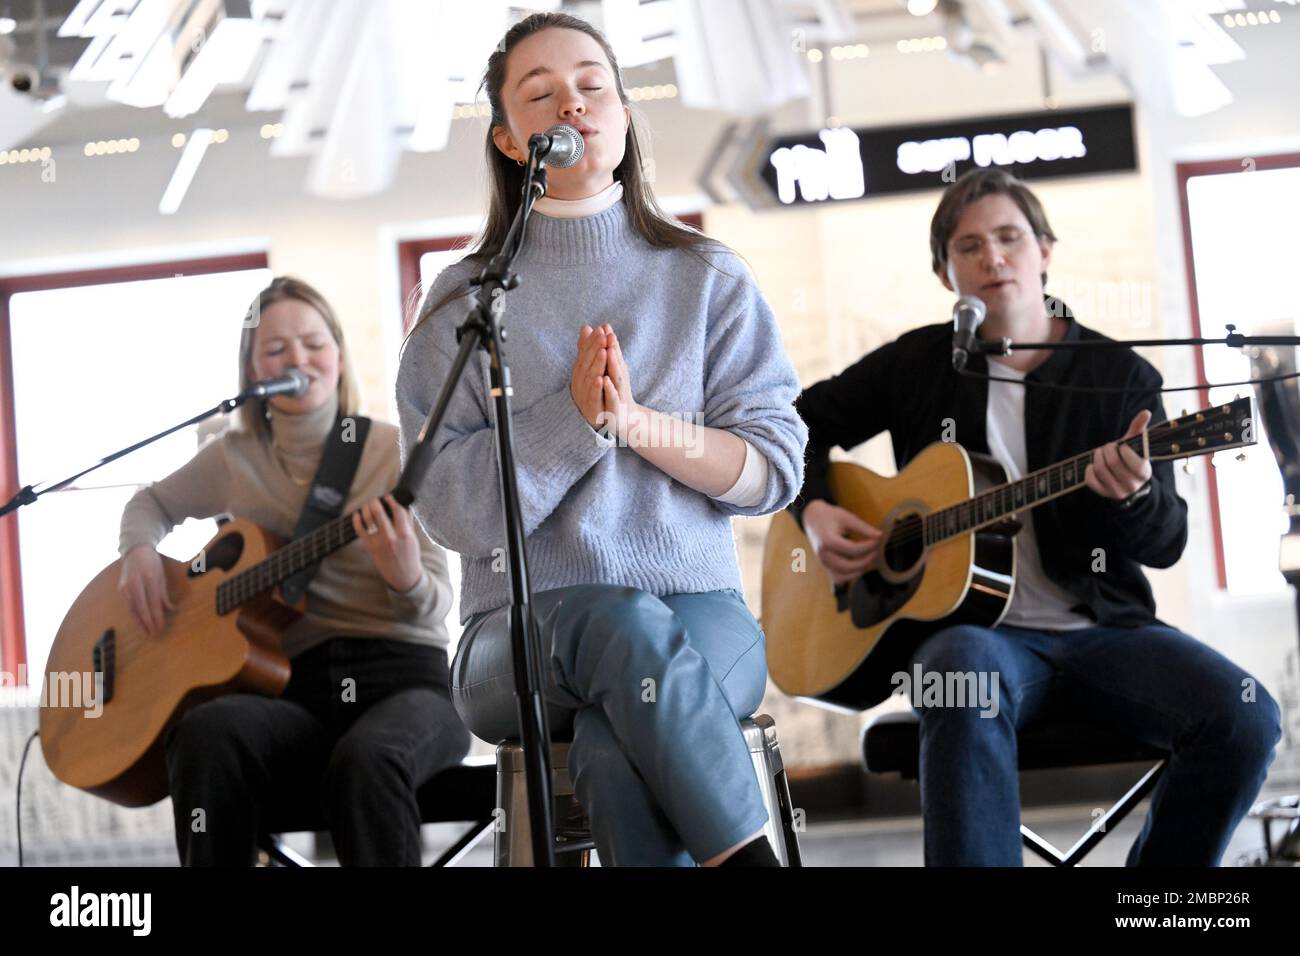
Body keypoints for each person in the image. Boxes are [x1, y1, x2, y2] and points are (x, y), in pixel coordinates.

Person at [397, 12, 806, 866]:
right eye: (541, 95)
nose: (573, 106)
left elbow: (772, 468)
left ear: (623, 115)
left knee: (617, 752)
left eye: (593, 87)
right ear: (511, 142)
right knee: (616, 625)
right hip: (513, 639)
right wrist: (573, 425)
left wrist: (634, 424)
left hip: (699, 615)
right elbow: (451, 510)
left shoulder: (706, 276)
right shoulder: (461, 303)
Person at [791, 167, 1282, 866]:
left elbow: (1168, 541)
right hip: (974, 640)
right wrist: (814, 510)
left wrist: (1134, 497)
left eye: (1008, 238)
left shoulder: (1120, 377)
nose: (992, 258)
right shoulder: (917, 366)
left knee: (1244, 716)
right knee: (960, 670)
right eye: (968, 246)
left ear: (1044, 249)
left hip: (1105, 633)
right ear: (943, 273)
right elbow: (794, 424)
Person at [118, 276, 468, 866]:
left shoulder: (393, 451)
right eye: (276, 351)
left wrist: (405, 575)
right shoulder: (233, 460)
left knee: (368, 760)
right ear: (253, 371)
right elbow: (148, 505)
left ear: (337, 354)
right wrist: (139, 552)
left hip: (409, 686)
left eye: (313, 343)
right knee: (207, 730)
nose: (298, 359)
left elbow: (436, 605)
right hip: (294, 690)